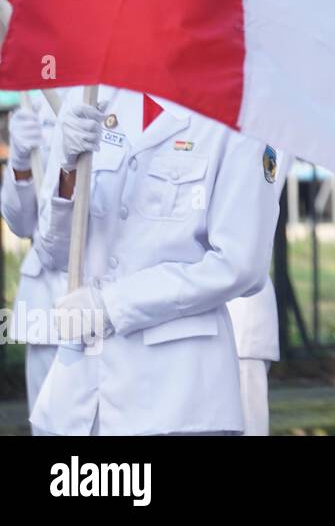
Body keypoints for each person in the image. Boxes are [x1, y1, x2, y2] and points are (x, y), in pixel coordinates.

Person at [30, 86, 282, 435]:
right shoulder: (94, 94)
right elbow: (52, 252)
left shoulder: (239, 114)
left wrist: (113, 305)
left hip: (178, 398)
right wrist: (67, 170)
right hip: (80, 396)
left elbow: (240, 265)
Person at [2, 94, 61, 433]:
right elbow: (20, 222)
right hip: (49, 304)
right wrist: (20, 163)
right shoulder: (34, 97)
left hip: (112, 297)